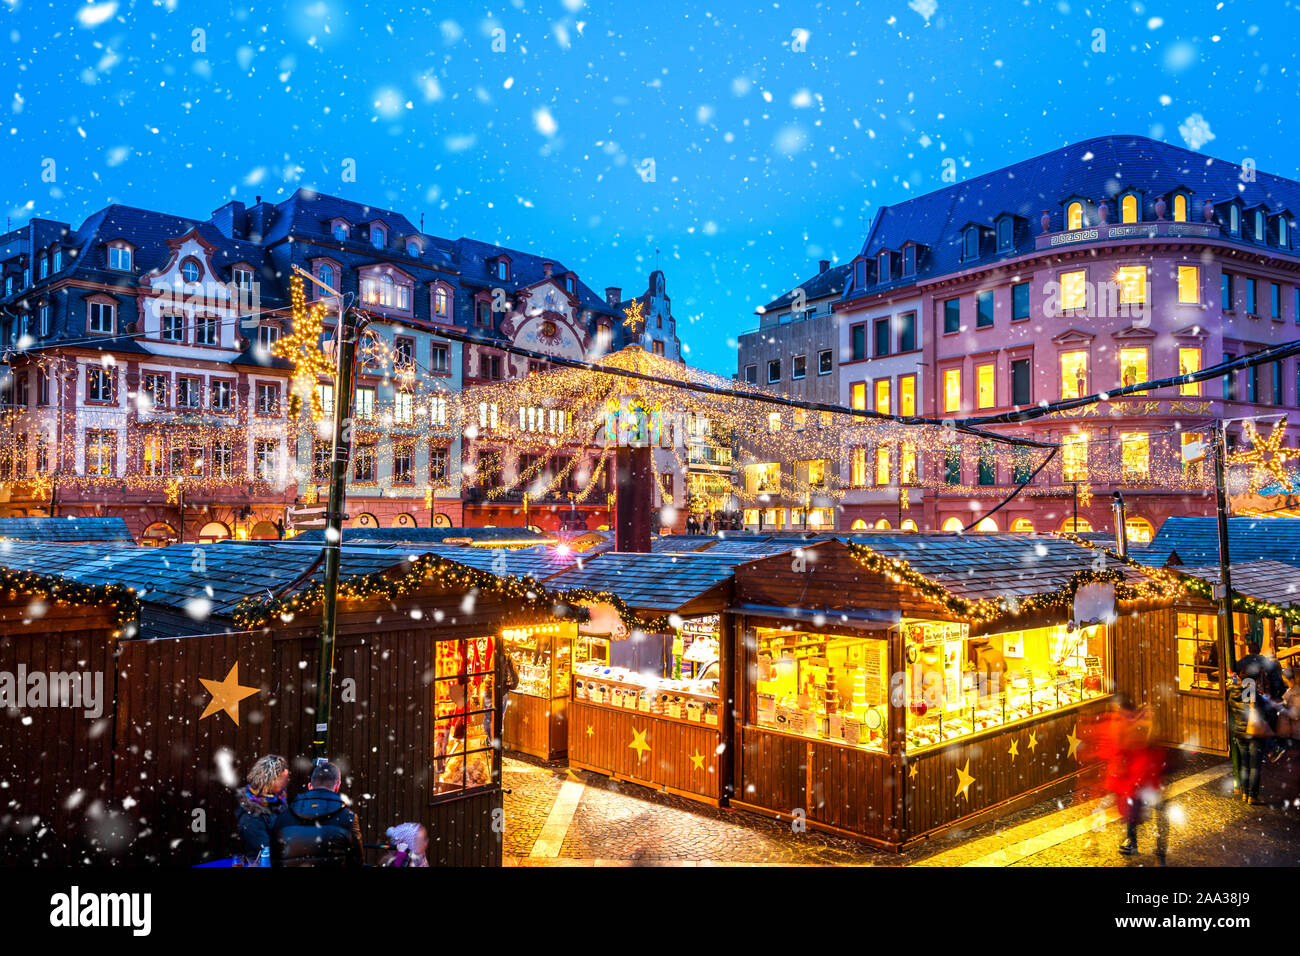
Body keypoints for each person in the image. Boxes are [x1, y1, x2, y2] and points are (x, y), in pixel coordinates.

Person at [269, 759, 363, 866]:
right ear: (337, 786)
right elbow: (357, 862)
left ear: (310, 786)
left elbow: (274, 859)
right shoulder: (348, 818)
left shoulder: (284, 817)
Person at [235, 754, 289, 865]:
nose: (286, 782)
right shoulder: (251, 815)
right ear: (268, 780)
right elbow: (262, 852)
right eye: (282, 779)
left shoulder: (278, 801)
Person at [1230, 666, 1272, 805]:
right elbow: (1265, 711)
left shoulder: (1232, 692)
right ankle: (1252, 796)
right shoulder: (1252, 693)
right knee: (1254, 765)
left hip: (1239, 731)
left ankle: (1244, 793)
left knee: (1244, 764)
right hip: (1253, 732)